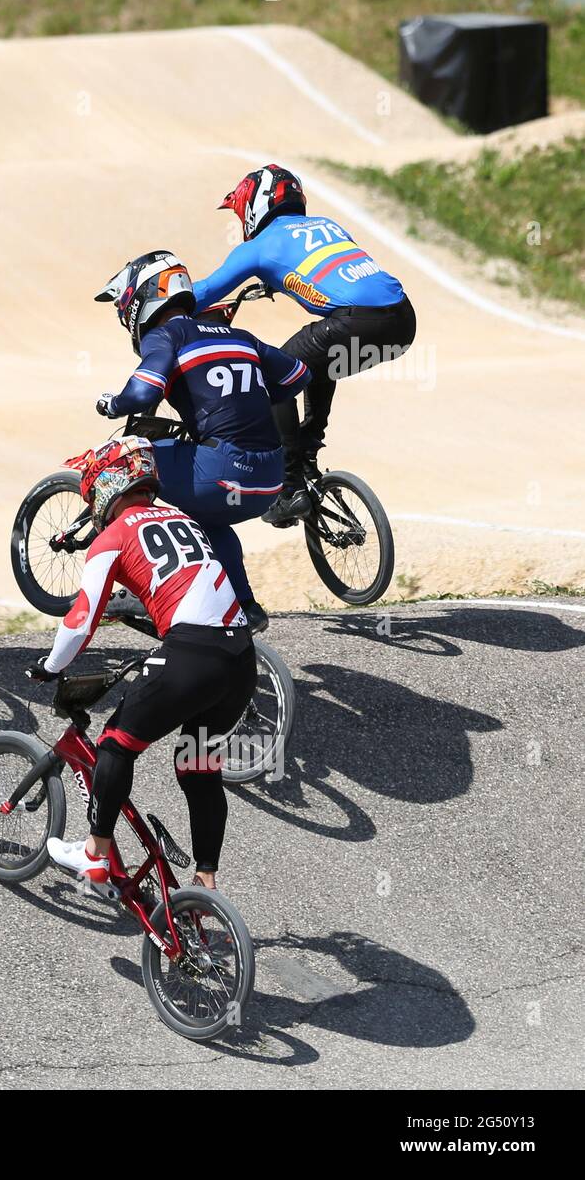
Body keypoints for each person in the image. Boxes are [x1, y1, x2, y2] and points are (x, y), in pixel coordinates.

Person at [29, 437, 256, 893]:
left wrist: (52, 667)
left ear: (106, 487)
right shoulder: (184, 520)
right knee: (198, 766)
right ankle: (205, 886)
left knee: (115, 744)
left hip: (191, 653)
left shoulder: (112, 536)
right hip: (240, 658)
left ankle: (94, 856)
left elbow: (80, 620)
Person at [93, 249, 310, 632]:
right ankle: (246, 605)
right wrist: (248, 401)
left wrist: (113, 403)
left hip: (221, 471)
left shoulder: (166, 335)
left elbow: (144, 394)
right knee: (210, 521)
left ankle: (130, 585)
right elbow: (299, 376)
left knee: (124, 462)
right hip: (268, 481)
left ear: (141, 299)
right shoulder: (241, 336)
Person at [193, 164, 416, 525]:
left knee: (270, 374)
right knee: (314, 363)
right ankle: (309, 448)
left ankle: (290, 485)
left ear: (253, 207)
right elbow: (326, 270)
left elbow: (206, 292)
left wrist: (160, 304)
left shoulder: (257, 248)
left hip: (357, 320)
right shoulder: (328, 225)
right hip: (403, 321)